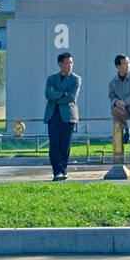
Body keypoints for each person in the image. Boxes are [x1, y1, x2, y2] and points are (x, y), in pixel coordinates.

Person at [44, 52, 80, 181]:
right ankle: (56, 172)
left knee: (65, 144)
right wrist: (62, 94)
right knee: (54, 144)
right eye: (67, 63)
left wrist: (56, 96)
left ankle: (63, 170)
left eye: (71, 62)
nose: (69, 65)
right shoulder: (51, 79)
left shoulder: (76, 79)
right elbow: (48, 94)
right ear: (60, 64)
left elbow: (71, 97)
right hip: (53, 115)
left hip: (68, 116)